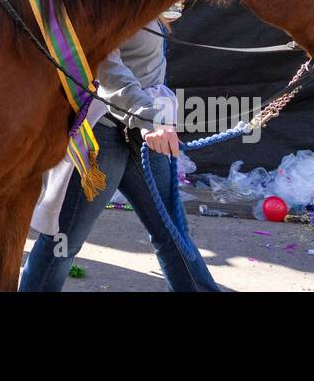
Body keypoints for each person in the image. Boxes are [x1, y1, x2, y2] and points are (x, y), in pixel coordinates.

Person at [20, 26, 221, 292]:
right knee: (64, 241)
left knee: (173, 235)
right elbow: (104, 64)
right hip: (106, 132)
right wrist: (147, 115)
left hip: (146, 131)